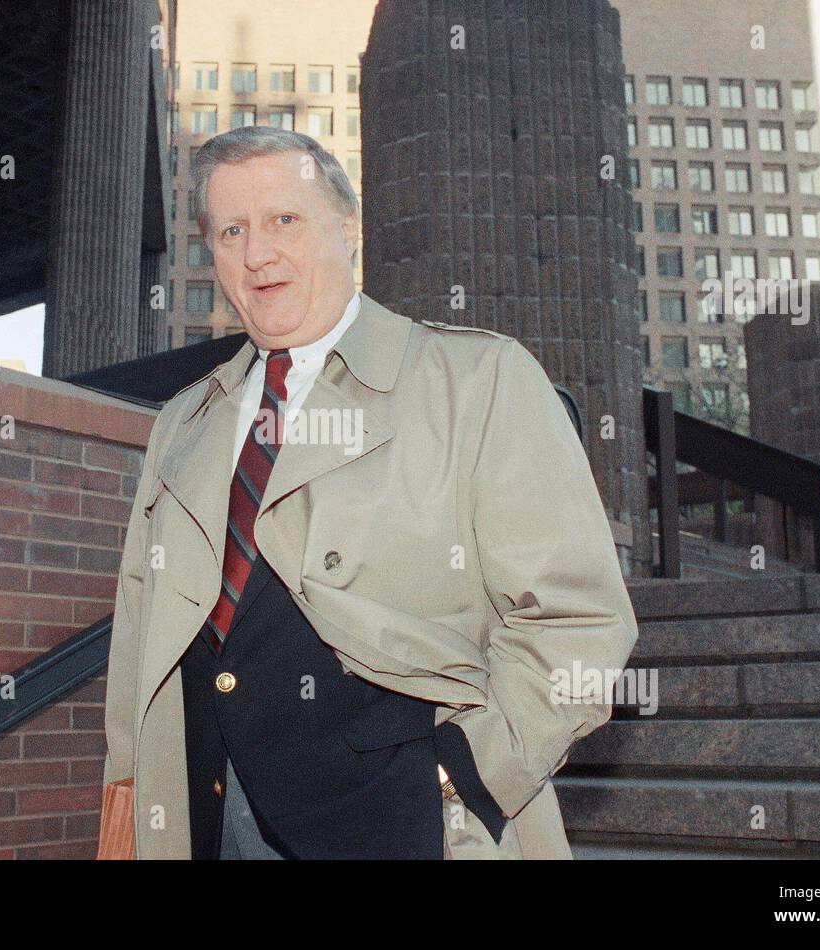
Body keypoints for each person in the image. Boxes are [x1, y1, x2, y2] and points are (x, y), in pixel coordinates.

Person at [101, 126, 638, 859]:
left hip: (414, 828)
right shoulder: (181, 425)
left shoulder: (477, 381)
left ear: (348, 228)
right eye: (232, 231)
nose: (258, 254)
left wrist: (461, 777)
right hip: (208, 821)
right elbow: (137, 643)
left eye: (284, 220)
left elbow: (578, 623)